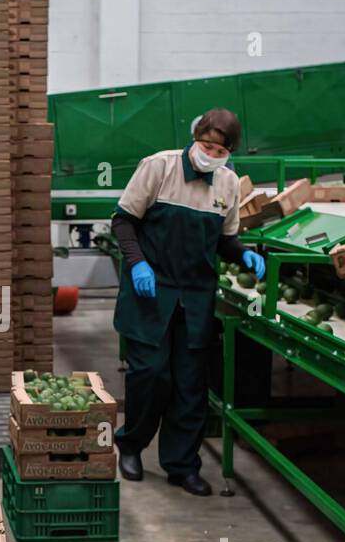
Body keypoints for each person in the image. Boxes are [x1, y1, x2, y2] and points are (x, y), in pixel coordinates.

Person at [109, 108, 265, 495]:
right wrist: (139, 264)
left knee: (190, 385)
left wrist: (241, 252)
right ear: (194, 139)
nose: (210, 152)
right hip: (151, 292)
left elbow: (224, 239)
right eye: (205, 144)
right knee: (150, 375)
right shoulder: (158, 168)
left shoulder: (227, 183)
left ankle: (182, 465)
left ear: (229, 151)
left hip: (194, 298)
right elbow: (123, 221)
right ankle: (130, 444)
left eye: (219, 148)